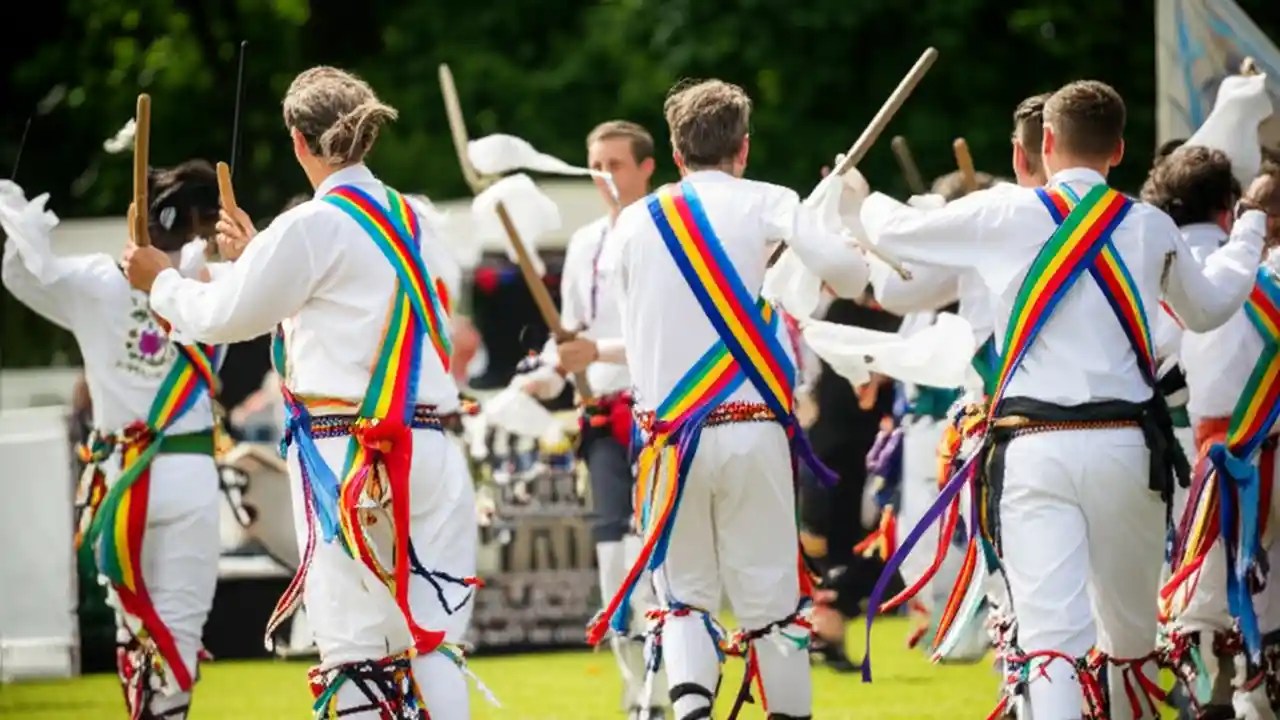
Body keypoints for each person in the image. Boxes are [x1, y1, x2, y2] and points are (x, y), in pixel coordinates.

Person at [859, 79, 1266, 719]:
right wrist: (1250, 233)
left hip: (1033, 450)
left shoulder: (1001, 212)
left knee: (1051, 643)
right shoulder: (1149, 225)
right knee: (1130, 645)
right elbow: (1211, 308)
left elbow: (897, 235)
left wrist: (862, 197)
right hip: (1129, 451)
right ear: (1119, 149)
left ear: (1045, 142)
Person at [122, 66, 480, 718]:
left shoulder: (311, 226)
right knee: (434, 643)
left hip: (352, 462)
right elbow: (350, 304)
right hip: (432, 446)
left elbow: (224, 315)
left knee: (354, 650)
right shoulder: (422, 219)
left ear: (298, 141)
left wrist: (159, 282)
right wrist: (261, 254)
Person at [591, 78, 869, 720]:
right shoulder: (771, 201)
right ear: (744, 148)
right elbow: (854, 278)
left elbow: (641, 329)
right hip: (751, 431)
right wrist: (830, 224)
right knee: (773, 603)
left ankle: (691, 710)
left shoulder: (633, 221)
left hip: (667, 441)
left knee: (684, 597)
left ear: (676, 152)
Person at [2, 161, 224, 719]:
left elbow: (21, 273)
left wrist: (22, 223)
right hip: (186, 470)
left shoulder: (95, 281)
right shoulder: (208, 285)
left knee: (136, 625)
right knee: (178, 625)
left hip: (120, 480)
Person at [516, 119, 667, 719]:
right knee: (613, 556)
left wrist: (594, 353)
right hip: (603, 417)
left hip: (660, 414)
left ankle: (677, 683)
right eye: (595, 163)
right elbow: (571, 335)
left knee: (656, 556)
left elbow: (666, 338)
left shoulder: (665, 232)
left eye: (617, 164)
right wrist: (542, 374)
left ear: (647, 167)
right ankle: (637, 692)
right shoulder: (584, 244)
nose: (605, 175)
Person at [1155, 152, 1280, 719]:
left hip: (1206, 468)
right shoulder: (1238, 276)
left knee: (1201, 613)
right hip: (1257, 458)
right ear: (1232, 212)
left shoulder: (1174, 273)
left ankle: (1213, 701)